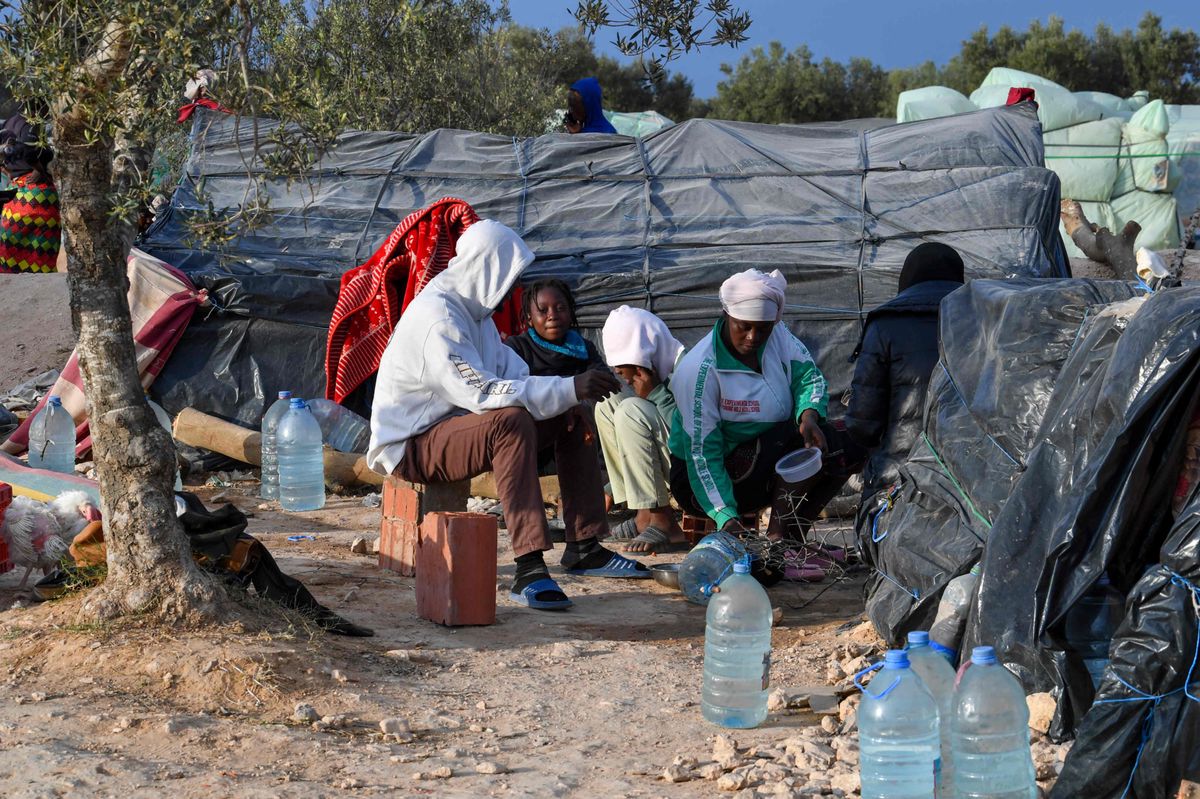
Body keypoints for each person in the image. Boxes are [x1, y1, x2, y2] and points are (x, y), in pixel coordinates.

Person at [367, 220, 644, 612]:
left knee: (570, 414)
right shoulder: (438, 318)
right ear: (485, 269)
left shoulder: (475, 316)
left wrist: (571, 391)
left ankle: (585, 547)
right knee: (510, 421)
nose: (511, 287)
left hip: (456, 428)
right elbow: (481, 393)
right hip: (413, 444)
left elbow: (514, 374)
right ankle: (528, 566)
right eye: (506, 275)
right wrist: (568, 387)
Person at [668, 269, 864, 561]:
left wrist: (808, 415)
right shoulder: (699, 372)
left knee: (847, 445)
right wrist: (726, 517)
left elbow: (808, 377)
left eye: (762, 328)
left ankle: (792, 541)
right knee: (788, 441)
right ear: (726, 316)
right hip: (707, 478)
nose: (753, 337)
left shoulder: (779, 336)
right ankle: (778, 541)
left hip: (764, 459)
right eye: (743, 327)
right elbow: (702, 454)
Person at [845, 242, 965, 507]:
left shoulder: (885, 325)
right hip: (972, 479)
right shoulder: (985, 319)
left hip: (898, 478)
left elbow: (862, 422)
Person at [595, 306, 686, 554]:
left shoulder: (686, 368)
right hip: (671, 457)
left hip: (693, 465)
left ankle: (663, 521)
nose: (625, 380)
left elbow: (692, 433)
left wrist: (656, 393)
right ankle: (643, 512)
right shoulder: (656, 365)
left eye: (625, 373)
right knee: (608, 404)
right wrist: (611, 489)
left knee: (630, 411)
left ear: (640, 365)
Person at [504, 278, 605, 377]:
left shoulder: (584, 347)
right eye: (543, 310)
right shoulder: (517, 348)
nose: (552, 316)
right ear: (530, 318)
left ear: (571, 312)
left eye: (560, 308)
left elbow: (606, 382)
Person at [0, 110, 60, 274]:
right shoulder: (31, 122)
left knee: (10, 256)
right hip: (39, 196)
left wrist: (7, 171)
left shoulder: (9, 122)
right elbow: (29, 148)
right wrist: (38, 169)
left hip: (15, 197)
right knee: (41, 255)